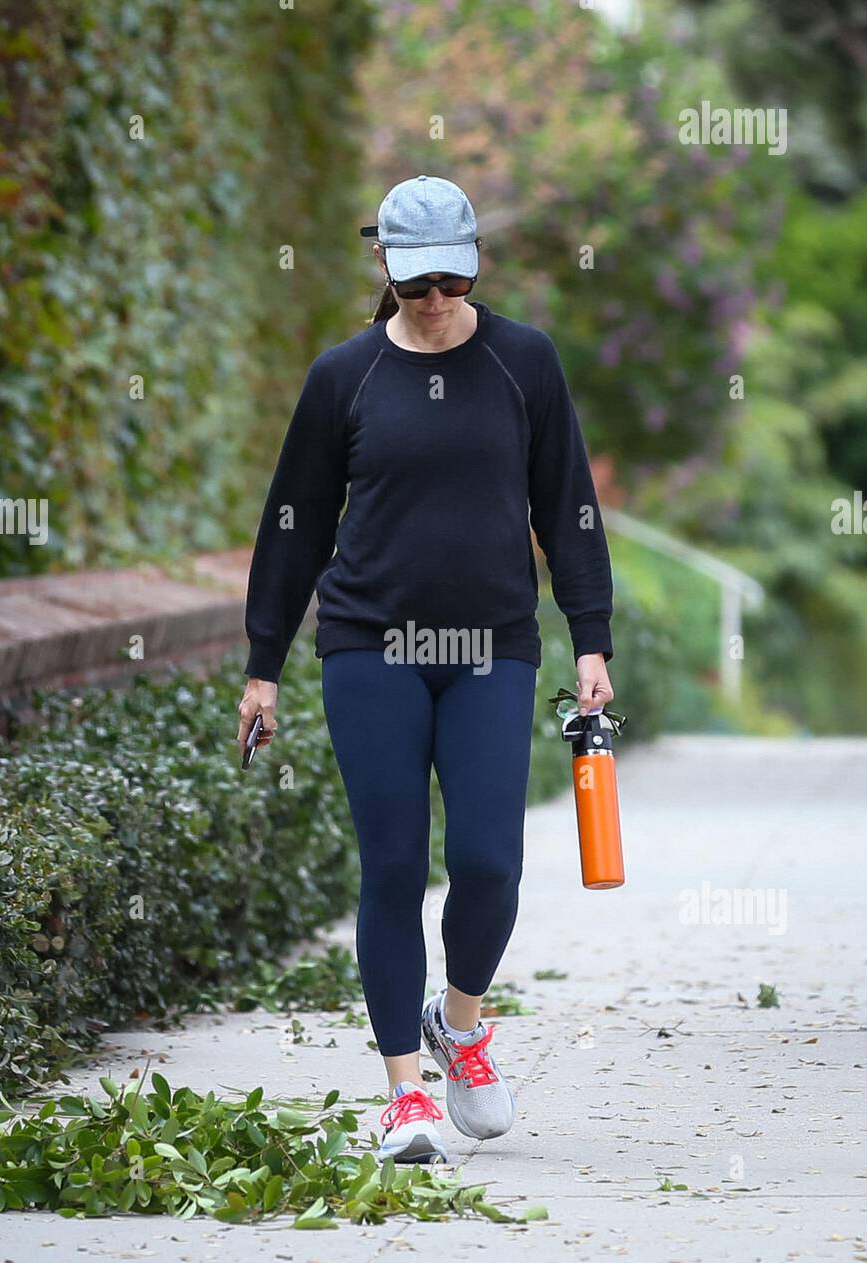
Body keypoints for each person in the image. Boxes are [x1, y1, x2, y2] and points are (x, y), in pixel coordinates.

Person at [237, 175, 614, 1164]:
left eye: (451, 279)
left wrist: (591, 640)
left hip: (492, 646)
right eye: (416, 285)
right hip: (372, 646)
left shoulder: (524, 363)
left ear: (474, 263)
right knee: (395, 864)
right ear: (386, 271)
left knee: (491, 860)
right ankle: (406, 1093)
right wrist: (263, 664)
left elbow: (568, 506)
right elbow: (294, 521)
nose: (435, 299)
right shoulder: (343, 377)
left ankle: (461, 1021)